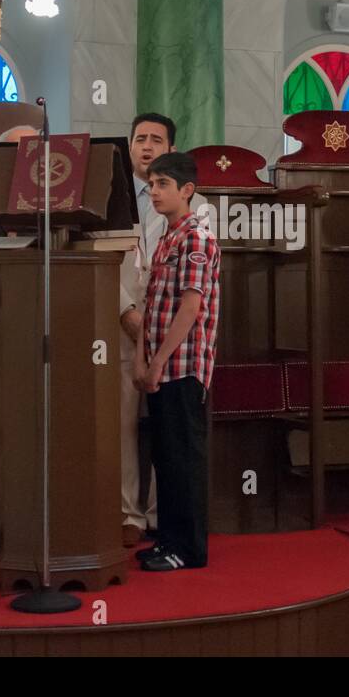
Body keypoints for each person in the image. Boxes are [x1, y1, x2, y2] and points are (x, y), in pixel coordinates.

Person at [118, 114, 208, 547]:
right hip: (122, 320)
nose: (147, 146)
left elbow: (191, 299)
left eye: (156, 140)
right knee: (123, 425)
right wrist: (127, 313)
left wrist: (154, 344)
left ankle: (163, 521)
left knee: (171, 438)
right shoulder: (112, 192)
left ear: (171, 147)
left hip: (176, 344)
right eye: (139, 139)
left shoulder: (197, 214)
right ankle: (128, 516)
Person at [133, 152, 221, 571]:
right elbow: (150, 307)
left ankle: (188, 549)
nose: (154, 192)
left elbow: (189, 309)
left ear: (187, 190)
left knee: (184, 460)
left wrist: (157, 363)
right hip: (160, 366)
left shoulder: (196, 239)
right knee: (165, 459)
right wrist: (140, 359)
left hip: (183, 367)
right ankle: (167, 540)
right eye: (151, 184)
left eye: (163, 184)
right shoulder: (166, 238)